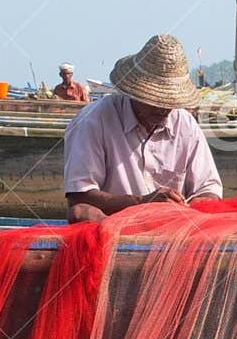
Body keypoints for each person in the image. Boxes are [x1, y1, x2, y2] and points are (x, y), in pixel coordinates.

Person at [63, 33, 223, 221]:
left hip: (175, 228)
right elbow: (79, 195)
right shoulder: (94, 120)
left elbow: (208, 188)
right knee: (81, 213)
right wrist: (142, 203)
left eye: (169, 101)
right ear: (135, 92)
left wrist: (194, 205)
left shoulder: (185, 124)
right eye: (156, 100)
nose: (164, 108)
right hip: (113, 227)